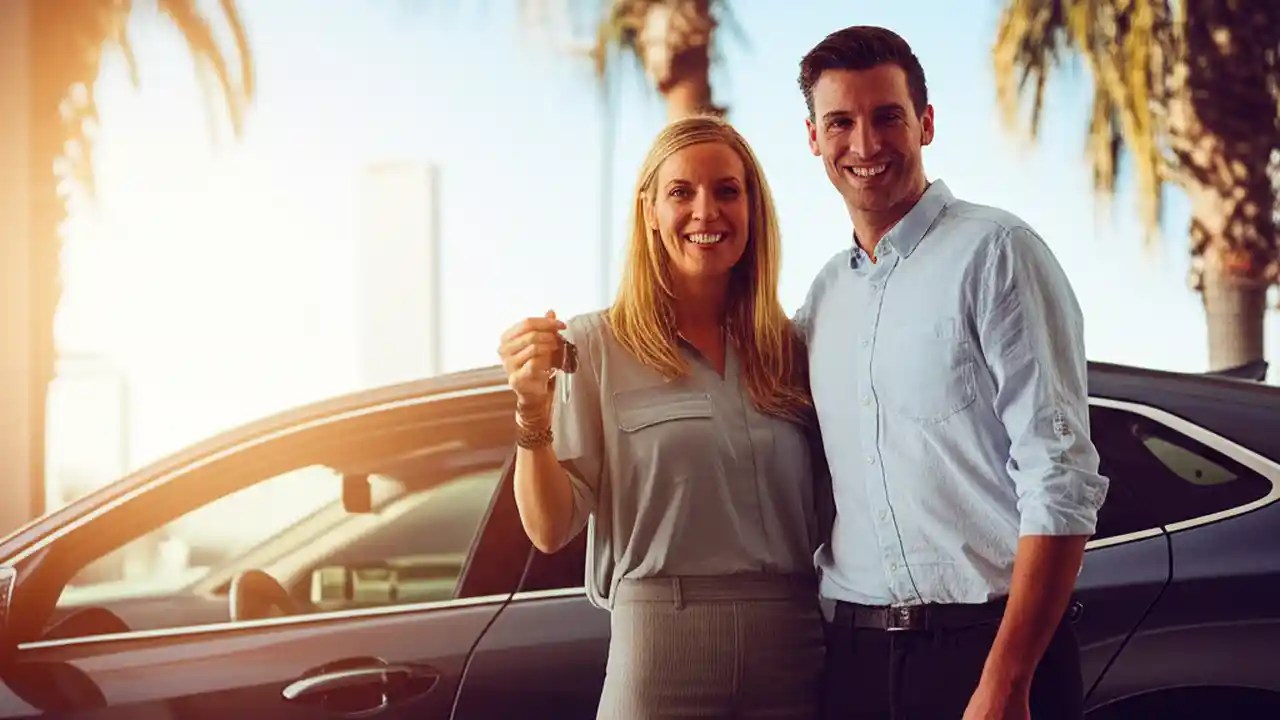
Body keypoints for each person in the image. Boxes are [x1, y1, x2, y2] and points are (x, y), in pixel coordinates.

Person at [792, 26, 1110, 720]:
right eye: (841, 122)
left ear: (926, 123)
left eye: (887, 117)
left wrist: (1007, 680)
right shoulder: (822, 301)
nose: (866, 145)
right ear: (814, 138)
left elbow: (1060, 476)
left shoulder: (998, 253)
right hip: (855, 660)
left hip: (988, 652)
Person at [496, 115, 830, 719]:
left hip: (793, 644)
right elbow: (549, 529)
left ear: (753, 208)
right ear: (649, 210)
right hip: (658, 645)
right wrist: (530, 409)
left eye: (727, 190)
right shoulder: (594, 345)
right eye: (682, 192)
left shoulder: (793, 348)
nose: (707, 211)